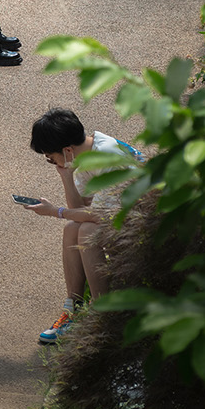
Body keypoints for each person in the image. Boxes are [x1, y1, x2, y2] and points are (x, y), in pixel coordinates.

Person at [21, 108, 144, 344]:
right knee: (72, 228)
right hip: (124, 218)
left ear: (67, 150)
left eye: (51, 157)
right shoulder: (86, 156)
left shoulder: (107, 156)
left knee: (88, 230)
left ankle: (103, 317)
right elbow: (79, 210)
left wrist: (55, 211)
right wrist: (66, 176)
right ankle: (74, 308)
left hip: (148, 224)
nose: (52, 162)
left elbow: (99, 216)